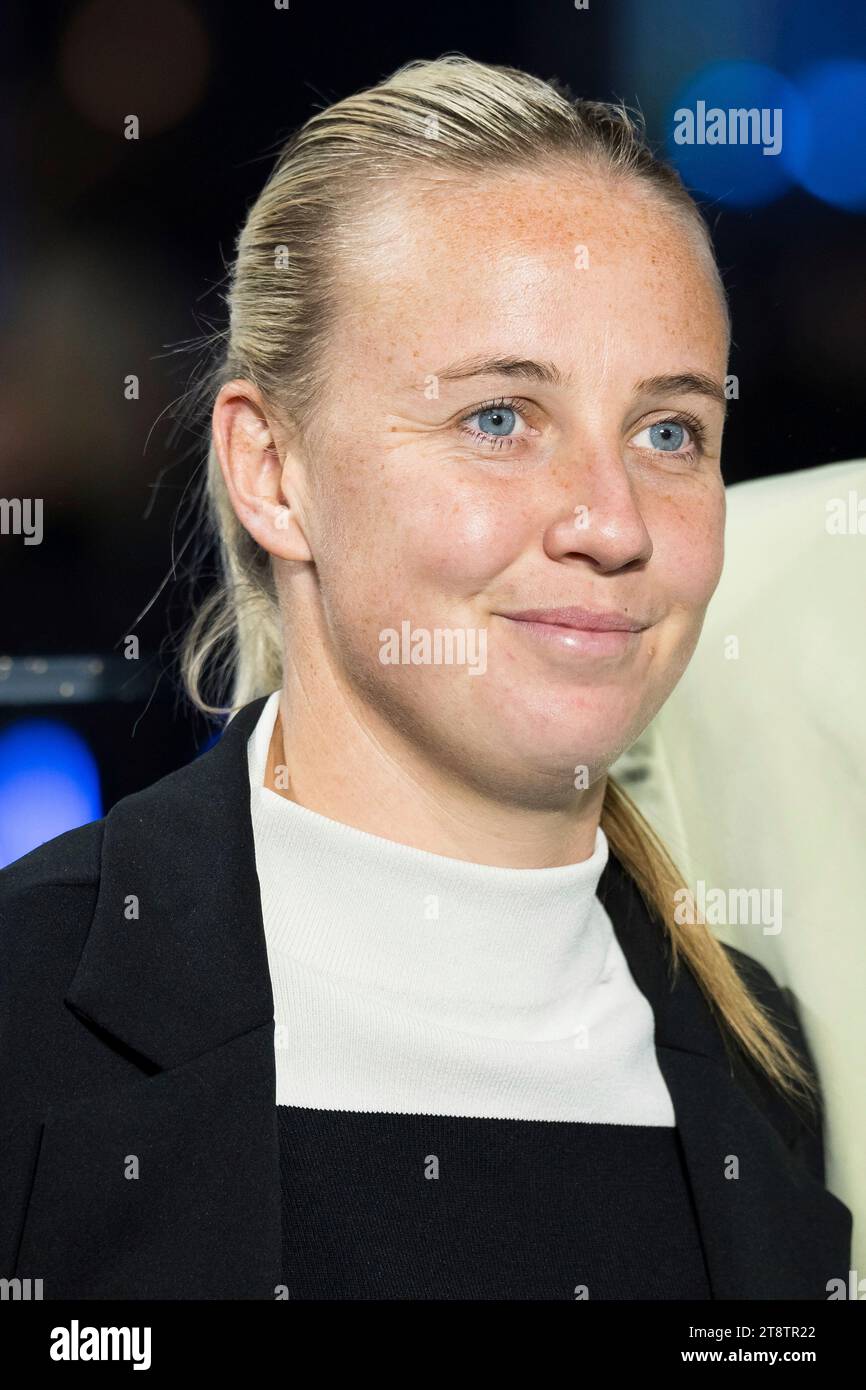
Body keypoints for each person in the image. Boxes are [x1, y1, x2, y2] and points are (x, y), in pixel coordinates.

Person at [0, 54, 852, 1300]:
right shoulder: (27, 1011)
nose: (608, 520)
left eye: (667, 431)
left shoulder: (759, 1068)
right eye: (499, 418)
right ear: (272, 469)